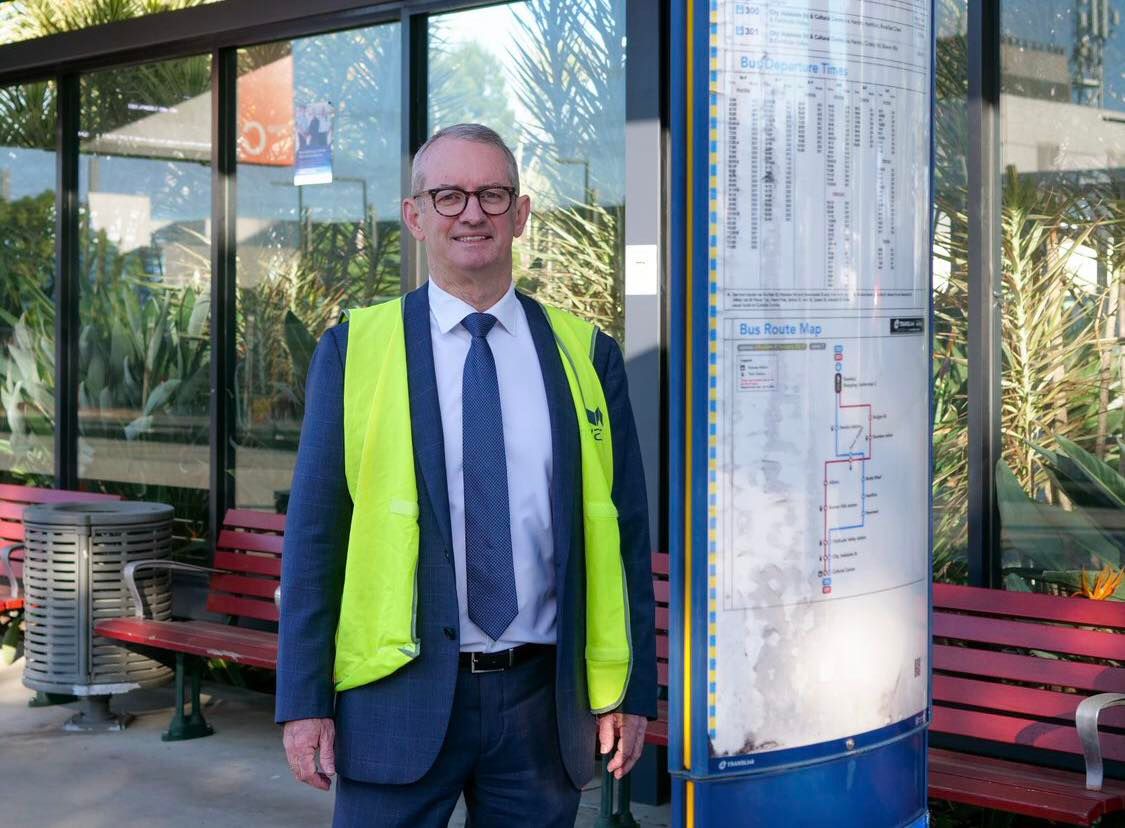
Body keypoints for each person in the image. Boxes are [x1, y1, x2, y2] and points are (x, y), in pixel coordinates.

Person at [276, 122, 656, 827]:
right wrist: (303, 703)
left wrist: (631, 691)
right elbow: (316, 538)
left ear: (521, 214)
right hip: (394, 699)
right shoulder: (354, 349)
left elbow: (624, 537)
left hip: (541, 707)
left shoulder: (585, 354)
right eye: (448, 195)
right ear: (415, 216)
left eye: (491, 194)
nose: (472, 212)